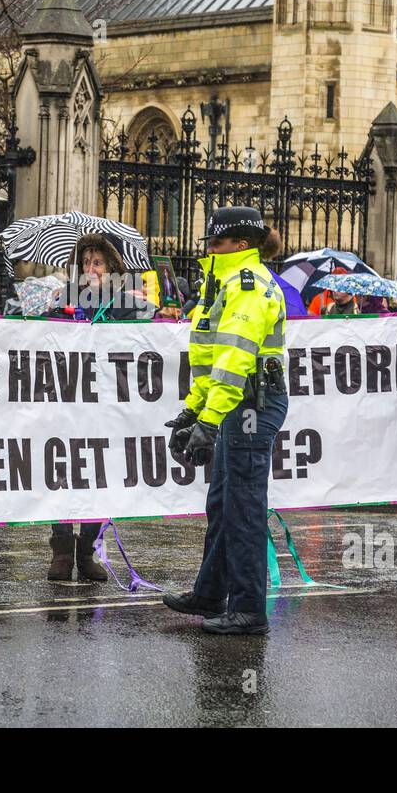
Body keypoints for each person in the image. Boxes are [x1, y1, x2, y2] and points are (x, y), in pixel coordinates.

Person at [162, 206, 288, 634]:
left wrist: (209, 420)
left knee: (244, 509)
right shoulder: (226, 282)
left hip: (251, 404)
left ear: (240, 244)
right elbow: (209, 363)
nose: (209, 249)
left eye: (215, 242)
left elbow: (235, 361)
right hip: (237, 402)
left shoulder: (247, 286)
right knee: (222, 504)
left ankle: (250, 608)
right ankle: (211, 592)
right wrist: (193, 411)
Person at [45, 233, 145, 582]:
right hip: (67, 403)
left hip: (106, 405)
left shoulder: (128, 301)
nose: (90, 269)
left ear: (112, 267)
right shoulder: (65, 298)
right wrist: (54, 307)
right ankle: (61, 551)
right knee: (61, 473)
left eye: (97, 263)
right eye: (85, 263)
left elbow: (144, 345)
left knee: (98, 476)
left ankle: (86, 551)